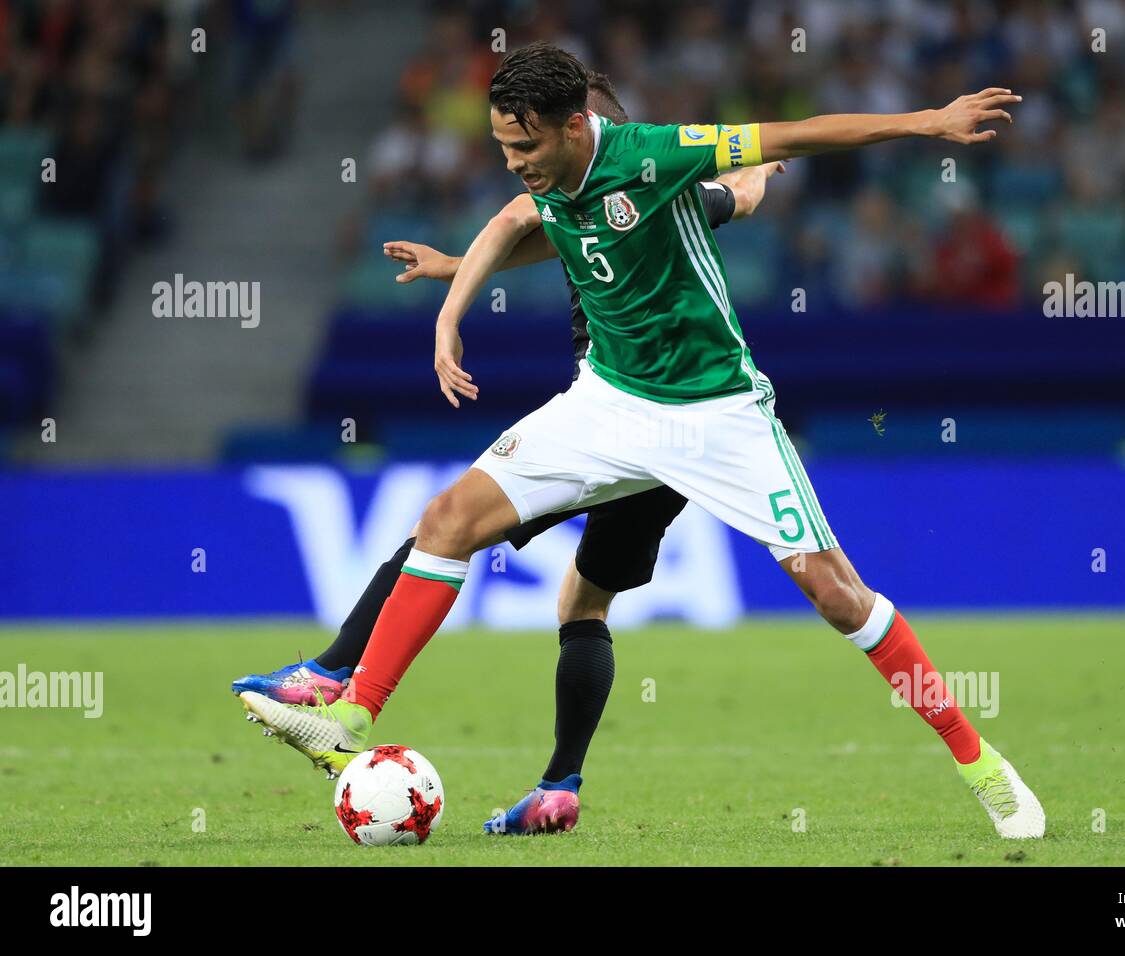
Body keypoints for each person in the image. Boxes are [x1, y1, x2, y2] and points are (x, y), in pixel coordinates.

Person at [240, 42, 1044, 840]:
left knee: (837, 595)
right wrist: (452, 305)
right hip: (609, 401)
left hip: (715, 413)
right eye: (503, 146)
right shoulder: (547, 178)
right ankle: (351, 714)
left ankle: (980, 766)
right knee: (447, 519)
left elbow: (793, 134)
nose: (514, 161)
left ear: (574, 127)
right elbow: (517, 221)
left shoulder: (659, 156)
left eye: (525, 145)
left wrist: (926, 121)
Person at [233, 72, 785, 834]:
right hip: (684, 439)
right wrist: (755, 172)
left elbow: (515, 220)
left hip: (617, 419)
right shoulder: (675, 196)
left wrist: (454, 288)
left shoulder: (583, 183)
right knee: (582, 602)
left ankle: (331, 676)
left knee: (445, 529)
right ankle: (559, 786)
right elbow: (734, 199)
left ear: (579, 134)